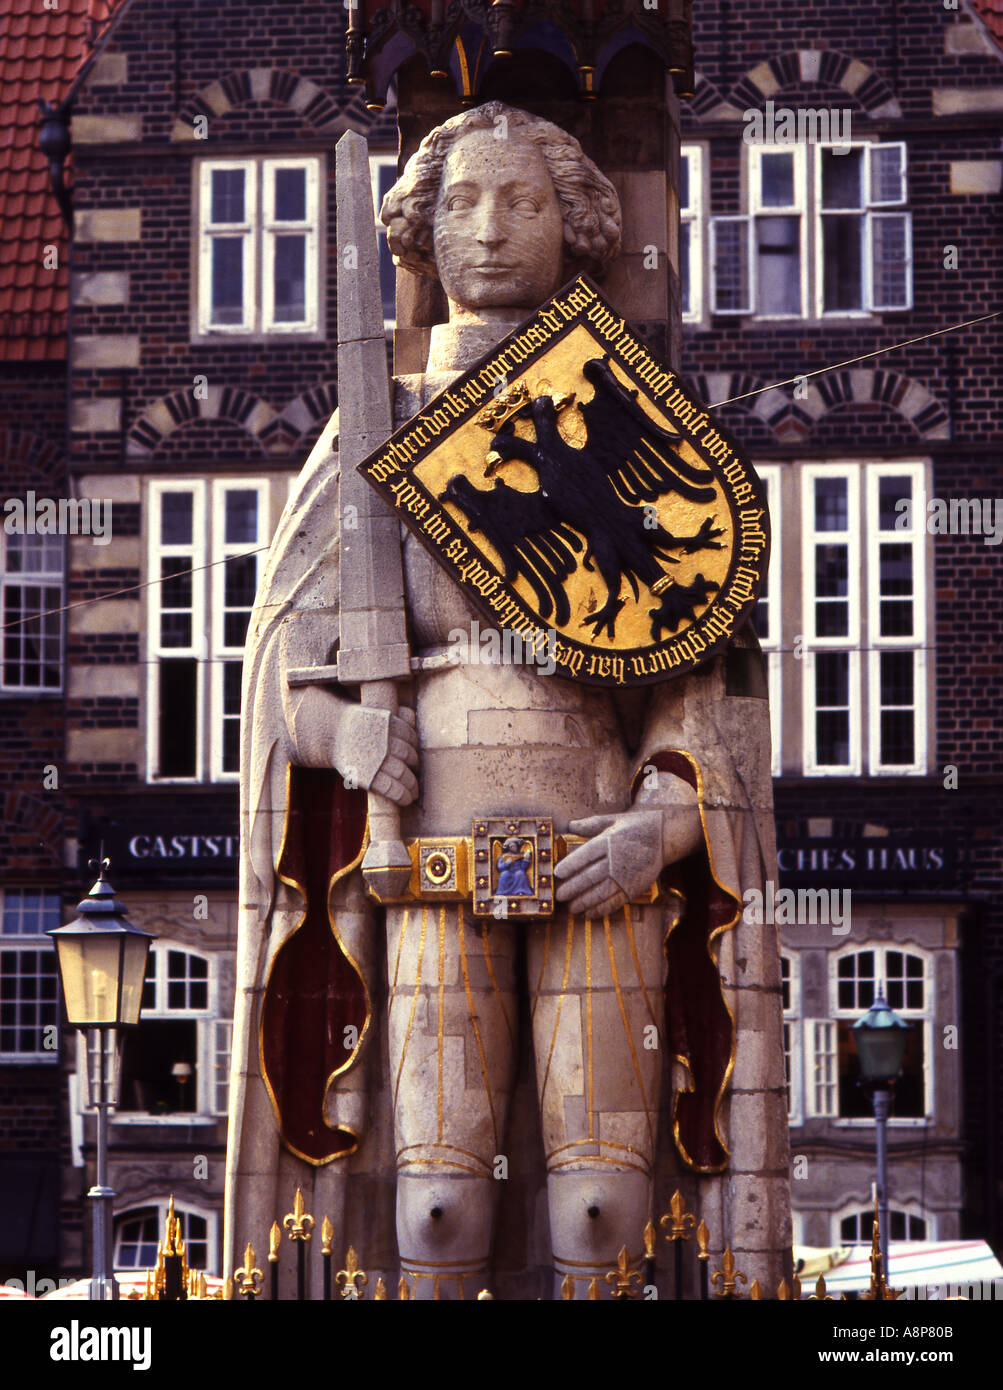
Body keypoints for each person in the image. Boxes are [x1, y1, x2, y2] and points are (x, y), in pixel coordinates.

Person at [224, 102, 779, 1299]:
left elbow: (706, 689)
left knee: (599, 1199)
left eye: (519, 201)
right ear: (423, 226)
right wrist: (344, 729)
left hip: (601, 849)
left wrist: (660, 827)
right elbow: (284, 670)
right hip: (427, 851)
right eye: (463, 203)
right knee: (429, 1200)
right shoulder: (378, 425)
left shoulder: (628, 419)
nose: (486, 229)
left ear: (574, 226)